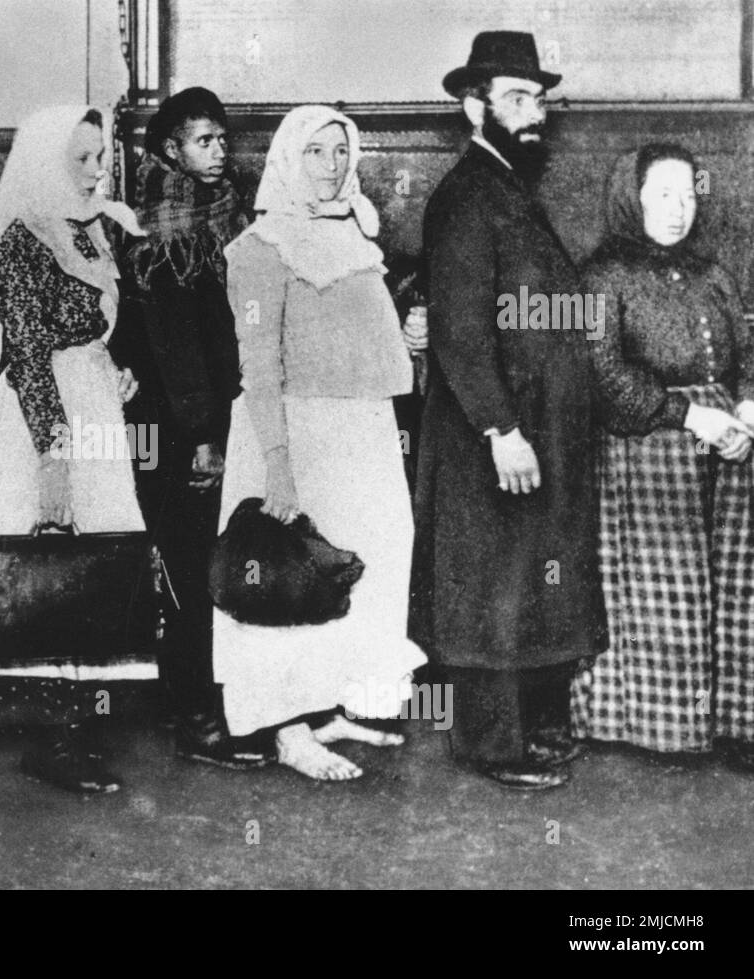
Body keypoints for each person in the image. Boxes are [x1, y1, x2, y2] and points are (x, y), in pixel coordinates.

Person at [412, 31, 609, 790]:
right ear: (474, 106)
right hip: (488, 435)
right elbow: (461, 333)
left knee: (524, 575)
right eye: (518, 100)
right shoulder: (466, 197)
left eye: (540, 101)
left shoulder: (507, 189)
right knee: (488, 580)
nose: (535, 115)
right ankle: (490, 745)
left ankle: (526, 728)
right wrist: (500, 429)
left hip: (531, 428)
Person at [214, 105, 426, 781]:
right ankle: (288, 729)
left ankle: (338, 704)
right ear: (286, 161)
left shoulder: (359, 233)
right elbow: (258, 366)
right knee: (287, 579)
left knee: (366, 569)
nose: (332, 166)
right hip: (295, 434)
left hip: (362, 434)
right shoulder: (259, 248)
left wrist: (407, 342)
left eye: (342, 151)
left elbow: (364, 339)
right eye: (316, 153)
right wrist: (278, 468)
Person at [0, 105, 152, 793]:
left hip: (91, 399)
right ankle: (54, 734)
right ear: (45, 162)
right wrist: (52, 453)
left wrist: (110, 369)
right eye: (80, 159)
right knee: (46, 561)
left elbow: (89, 330)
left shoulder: (91, 229)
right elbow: (25, 351)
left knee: (99, 554)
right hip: (40, 412)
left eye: (100, 155)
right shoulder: (17, 239)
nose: (96, 169)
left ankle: (84, 717)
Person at [573, 144, 754, 770]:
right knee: (665, 585)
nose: (679, 210)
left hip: (727, 445)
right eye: (663, 196)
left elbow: (747, 349)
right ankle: (663, 723)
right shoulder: (601, 276)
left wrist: (747, 411)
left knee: (732, 583)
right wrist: (689, 415)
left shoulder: (712, 273)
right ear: (633, 198)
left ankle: (731, 719)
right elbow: (602, 374)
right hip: (645, 448)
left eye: (689, 195)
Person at [120, 87, 269, 771]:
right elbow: (177, 345)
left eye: (222, 139)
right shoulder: (165, 222)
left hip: (214, 412)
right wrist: (205, 435)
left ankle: (221, 705)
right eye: (203, 141)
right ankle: (197, 718)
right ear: (170, 149)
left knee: (214, 561)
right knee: (188, 566)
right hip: (181, 425)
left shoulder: (223, 213)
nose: (219, 151)